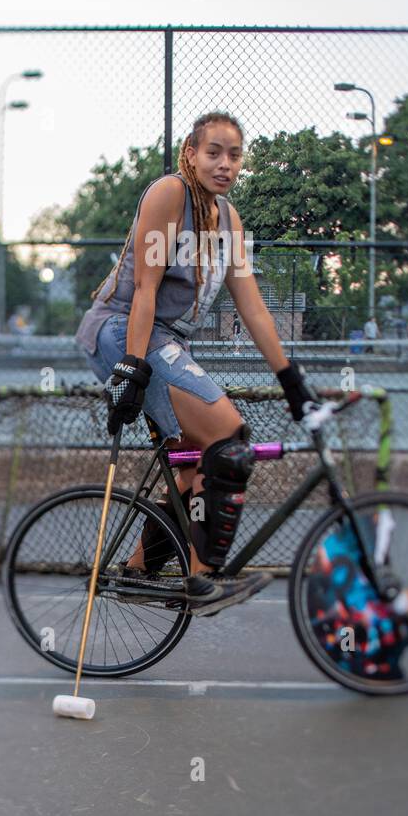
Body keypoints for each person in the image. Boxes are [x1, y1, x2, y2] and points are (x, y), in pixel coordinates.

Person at [75, 111, 317, 617]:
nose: (225, 164)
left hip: (168, 342)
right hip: (123, 330)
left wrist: (291, 379)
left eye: (234, 155)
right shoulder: (170, 194)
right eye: (213, 152)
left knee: (193, 466)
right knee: (227, 437)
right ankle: (203, 579)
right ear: (190, 153)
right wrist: (131, 368)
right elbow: (145, 290)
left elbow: (252, 307)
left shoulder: (229, 221)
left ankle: (138, 573)